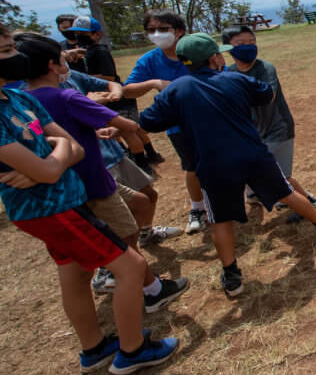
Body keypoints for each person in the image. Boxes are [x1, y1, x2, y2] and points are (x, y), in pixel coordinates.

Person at [0, 23, 178, 375]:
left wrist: (51, 158)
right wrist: (52, 160)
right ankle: (133, 349)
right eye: (5, 51)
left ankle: (94, 347)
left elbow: (74, 149)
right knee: (131, 267)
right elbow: (53, 168)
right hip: (51, 209)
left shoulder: (19, 99)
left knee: (75, 273)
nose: (14, 57)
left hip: (66, 199)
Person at [139, 33, 316, 297]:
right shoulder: (234, 79)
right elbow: (266, 95)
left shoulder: (177, 88)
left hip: (212, 164)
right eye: (220, 53)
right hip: (252, 154)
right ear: (213, 58)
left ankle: (232, 275)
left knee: (220, 219)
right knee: (286, 193)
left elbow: (148, 121)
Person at [16, 32, 189, 311]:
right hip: (93, 181)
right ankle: (142, 287)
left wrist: (94, 126)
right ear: (53, 64)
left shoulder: (23, 100)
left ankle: (132, 278)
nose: (67, 61)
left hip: (73, 182)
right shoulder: (69, 96)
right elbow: (130, 125)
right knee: (123, 239)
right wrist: (98, 105)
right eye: (63, 58)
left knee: (141, 203)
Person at [221, 24, 316, 214]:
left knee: (280, 175)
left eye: (252, 42)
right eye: (241, 43)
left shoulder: (265, 68)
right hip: (255, 132)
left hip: (279, 129)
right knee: (254, 165)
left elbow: (269, 96)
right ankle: (255, 194)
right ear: (227, 47)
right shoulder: (228, 73)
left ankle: (312, 202)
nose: (249, 46)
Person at [122, 9, 208, 234]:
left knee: (229, 156)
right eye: (151, 30)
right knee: (193, 166)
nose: (157, 34)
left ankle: (249, 191)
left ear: (179, 31)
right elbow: (128, 91)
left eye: (163, 29)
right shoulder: (149, 60)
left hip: (210, 116)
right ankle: (197, 208)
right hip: (178, 125)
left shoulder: (196, 50)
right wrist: (153, 82)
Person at [66, 15, 162, 174]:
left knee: (127, 130)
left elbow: (109, 77)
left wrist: (82, 77)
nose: (79, 36)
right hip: (107, 97)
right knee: (132, 128)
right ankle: (151, 154)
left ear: (97, 34)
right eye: (76, 33)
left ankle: (143, 164)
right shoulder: (89, 51)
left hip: (117, 97)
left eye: (84, 33)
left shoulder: (99, 52)